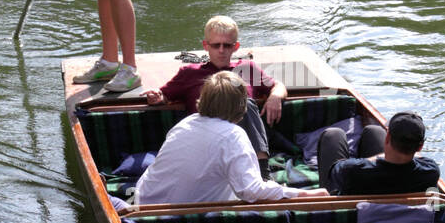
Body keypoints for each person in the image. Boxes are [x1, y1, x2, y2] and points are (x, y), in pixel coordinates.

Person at [133, 71, 313, 206]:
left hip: (144, 200)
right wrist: (301, 194)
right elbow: (251, 191)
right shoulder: (233, 136)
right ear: (241, 108)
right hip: (180, 217)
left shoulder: (186, 122)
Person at [143, 15, 286, 175]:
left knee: (245, 103)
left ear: (235, 46)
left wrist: (275, 96)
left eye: (227, 45)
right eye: (216, 45)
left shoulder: (247, 69)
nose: (221, 50)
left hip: (242, 143)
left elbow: (278, 86)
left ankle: (263, 173)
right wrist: (157, 97)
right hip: (206, 143)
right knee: (241, 103)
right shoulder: (190, 73)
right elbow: (164, 95)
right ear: (206, 45)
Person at [318, 111, 440, 196]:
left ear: (387, 138)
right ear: (420, 147)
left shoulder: (351, 171)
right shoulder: (431, 172)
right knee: (373, 131)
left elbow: (334, 172)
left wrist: (380, 158)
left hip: (355, 214)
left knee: (333, 134)